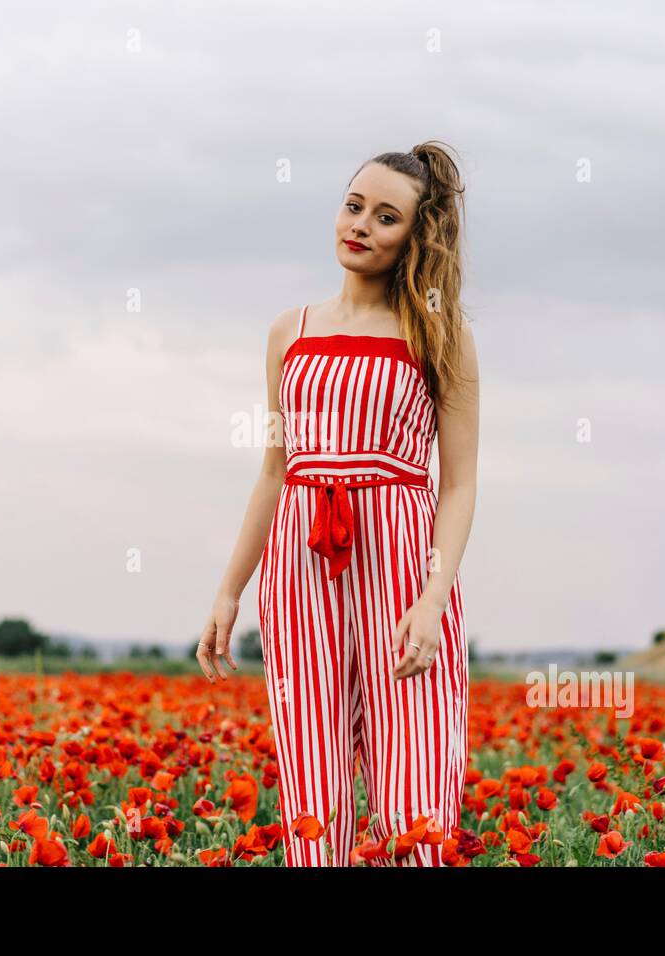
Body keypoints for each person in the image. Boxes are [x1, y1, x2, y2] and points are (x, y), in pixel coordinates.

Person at [197, 141, 479, 866]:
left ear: (416, 235)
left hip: (402, 572)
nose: (360, 225)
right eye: (354, 206)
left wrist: (433, 598)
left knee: (415, 787)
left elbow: (458, 483)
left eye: (386, 217)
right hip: (299, 572)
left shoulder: (439, 332)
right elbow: (274, 471)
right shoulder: (287, 331)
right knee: (312, 791)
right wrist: (230, 590)